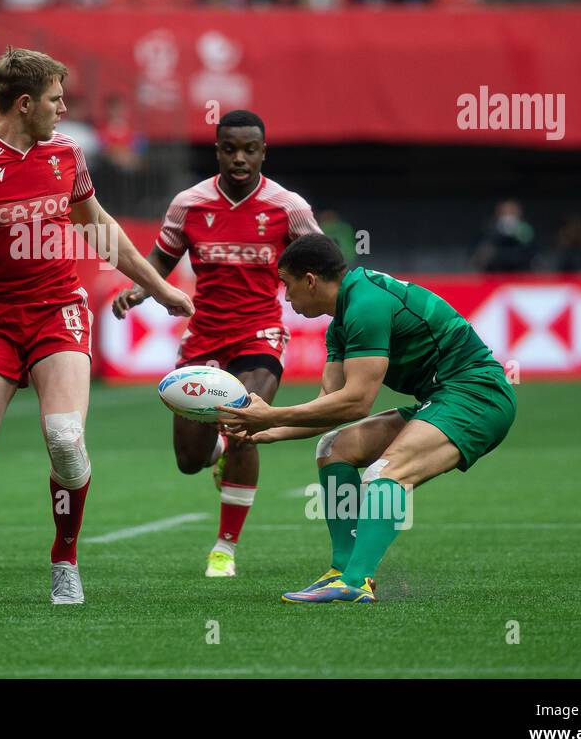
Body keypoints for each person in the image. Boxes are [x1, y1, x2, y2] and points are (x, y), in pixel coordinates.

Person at [0, 47, 194, 604]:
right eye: (54, 99)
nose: (64, 108)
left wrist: (162, 288)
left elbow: (97, 226)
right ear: (25, 104)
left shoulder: (67, 153)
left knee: (67, 441)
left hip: (58, 311)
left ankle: (64, 560)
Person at [218, 234, 517, 604]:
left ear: (310, 280)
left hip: (478, 397)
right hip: (444, 397)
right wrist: (270, 430)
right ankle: (342, 570)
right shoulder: (341, 321)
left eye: (287, 284)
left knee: (387, 471)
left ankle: (358, 582)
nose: (286, 296)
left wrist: (271, 415)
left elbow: (358, 402)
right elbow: (331, 404)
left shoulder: (367, 303)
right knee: (334, 448)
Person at [112, 110, 320, 578]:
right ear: (218, 151)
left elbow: (325, 263)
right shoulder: (190, 203)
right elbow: (161, 259)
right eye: (231, 149)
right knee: (188, 460)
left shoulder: (288, 207)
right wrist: (138, 290)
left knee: (247, 421)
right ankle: (217, 452)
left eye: (250, 149)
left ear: (263, 152)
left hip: (259, 333)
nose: (240, 158)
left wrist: (344, 304)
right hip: (203, 338)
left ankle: (225, 546)